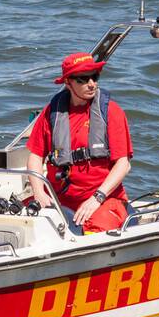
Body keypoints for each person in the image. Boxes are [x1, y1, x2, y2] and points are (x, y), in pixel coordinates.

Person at [26, 52, 132, 233]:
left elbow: (123, 164)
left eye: (94, 77)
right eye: (83, 79)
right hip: (57, 198)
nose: (91, 84)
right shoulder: (52, 113)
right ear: (68, 83)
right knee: (16, 218)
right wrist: (38, 192)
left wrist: (97, 198)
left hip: (103, 199)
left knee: (96, 230)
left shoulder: (112, 112)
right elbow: (35, 157)